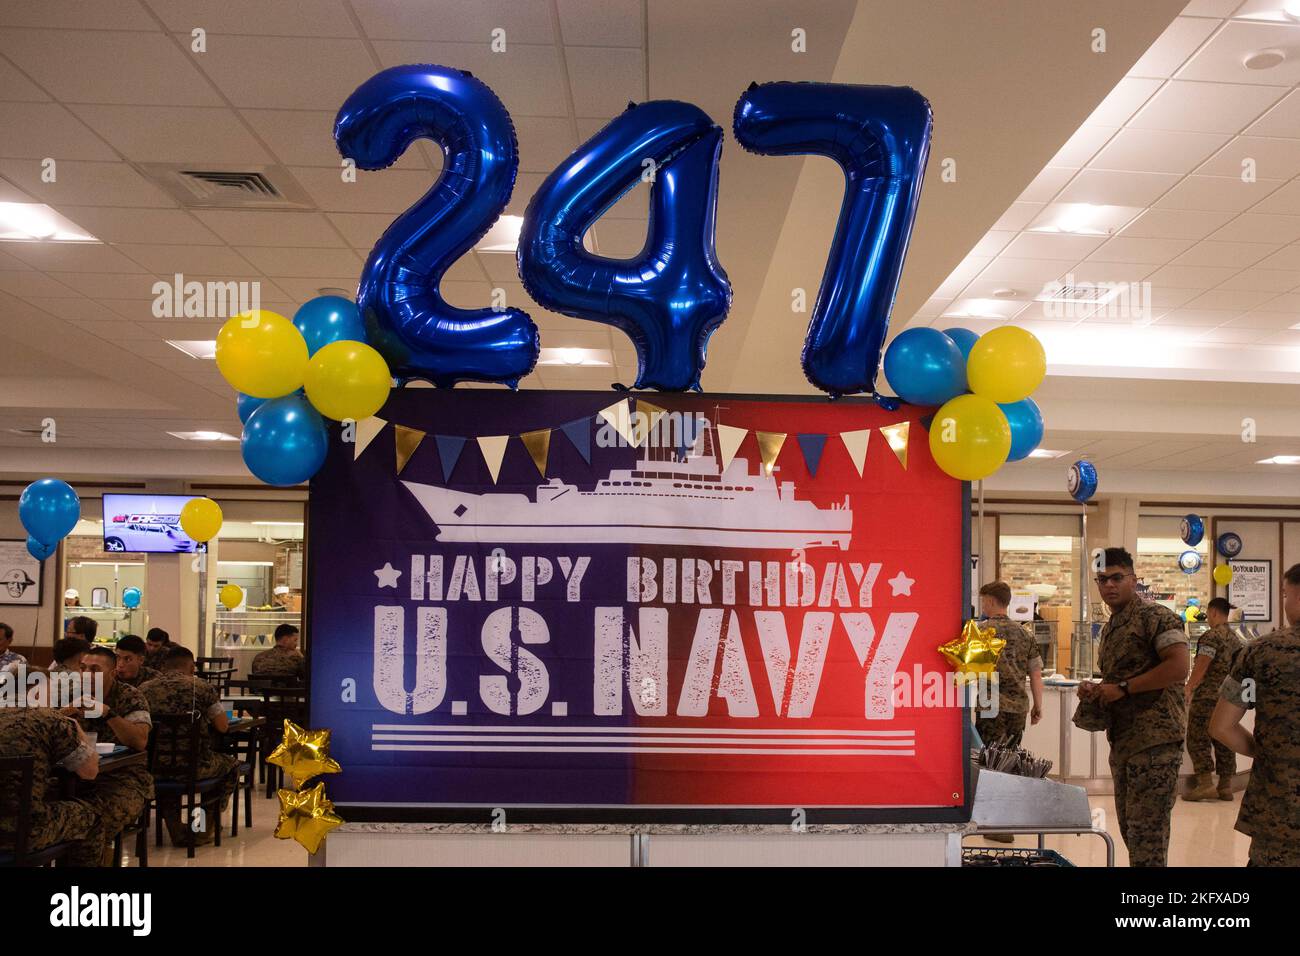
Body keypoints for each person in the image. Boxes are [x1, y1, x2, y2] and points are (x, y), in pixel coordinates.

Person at [1077, 547, 1190, 867]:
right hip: (1125, 740)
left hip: (1155, 740)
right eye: (1102, 579)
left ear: (1133, 579)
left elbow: (1179, 667)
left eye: (1116, 577)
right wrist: (1100, 690)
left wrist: (1123, 689)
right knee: (1130, 827)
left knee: (1147, 834)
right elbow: (1121, 677)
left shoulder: (1155, 617)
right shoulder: (1113, 627)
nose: (1109, 585)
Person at [1211, 563, 1300, 867]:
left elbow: (1222, 726)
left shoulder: (1261, 652)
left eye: (1286, 594)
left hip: (1279, 814)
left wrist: (1267, 754)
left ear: (1295, 596)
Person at [62, 646, 153, 866]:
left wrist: (108, 713)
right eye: (83, 668)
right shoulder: (69, 693)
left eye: (95, 670)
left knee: (93, 823)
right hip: (72, 779)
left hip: (123, 779)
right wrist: (64, 714)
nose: (86, 675)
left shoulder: (130, 696)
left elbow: (140, 741)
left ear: (112, 673)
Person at [141, 645, 236, 845]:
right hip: (195, 766)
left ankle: (176, 829)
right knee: (230, 766)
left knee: (167, 776)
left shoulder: (144, 689)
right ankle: (200, 828)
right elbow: (222, 725)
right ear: (192, 667)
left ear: (163, 667)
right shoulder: (201, 687)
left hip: (154, 768)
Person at [0, 707, 106, 866]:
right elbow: (90, 771)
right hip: (20, 832)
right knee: (92, 817)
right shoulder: (50, 719)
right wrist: (76, 727)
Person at [1182, 597, 1245, 802]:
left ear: (1214, 613)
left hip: (1207, 696)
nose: (1208, 618)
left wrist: (1189, 687)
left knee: (1197, 737)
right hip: (1227, 698)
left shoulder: (1211, 637)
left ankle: (1205, 784)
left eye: (1208, 614)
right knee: (1224, 738)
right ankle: (1225, 786)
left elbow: (1202, 664)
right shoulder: (1236, 639)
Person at [975, 581, 1044, 749]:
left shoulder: (980, 632)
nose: (983, 605)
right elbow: (1036, 675)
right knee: (1010, 759)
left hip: (989, 704)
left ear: (990, 601)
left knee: (990, 761)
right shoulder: (1026, 634)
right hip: (1018, 708)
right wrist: (1037, 706)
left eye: (984, 601)